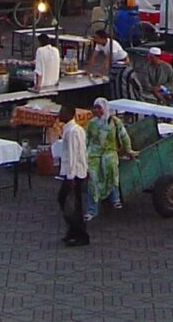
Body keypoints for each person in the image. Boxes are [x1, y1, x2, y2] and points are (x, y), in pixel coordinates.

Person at [85, 98, 132, 220]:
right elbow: (86, 140)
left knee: (111, 167)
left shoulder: (115, 122)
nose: (96, 110)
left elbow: (124, 136)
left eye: (99, 108)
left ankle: (115, 198)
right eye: (95, 107)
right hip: (94, 153)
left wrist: (129, 150)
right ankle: (92, 210)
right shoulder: (91, 124)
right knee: (93, 177)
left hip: (109, 151)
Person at [56, 104, 90, 246]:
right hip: (75, 172)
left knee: (69, 202)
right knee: (71, 202)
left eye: (62, 112)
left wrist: (71, 177)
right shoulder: (71, 130)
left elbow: (73, 155)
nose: (59, 114)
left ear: (69, 114)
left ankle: (80, 233)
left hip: (74, 173)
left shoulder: (73, 132)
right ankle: (73, 231)